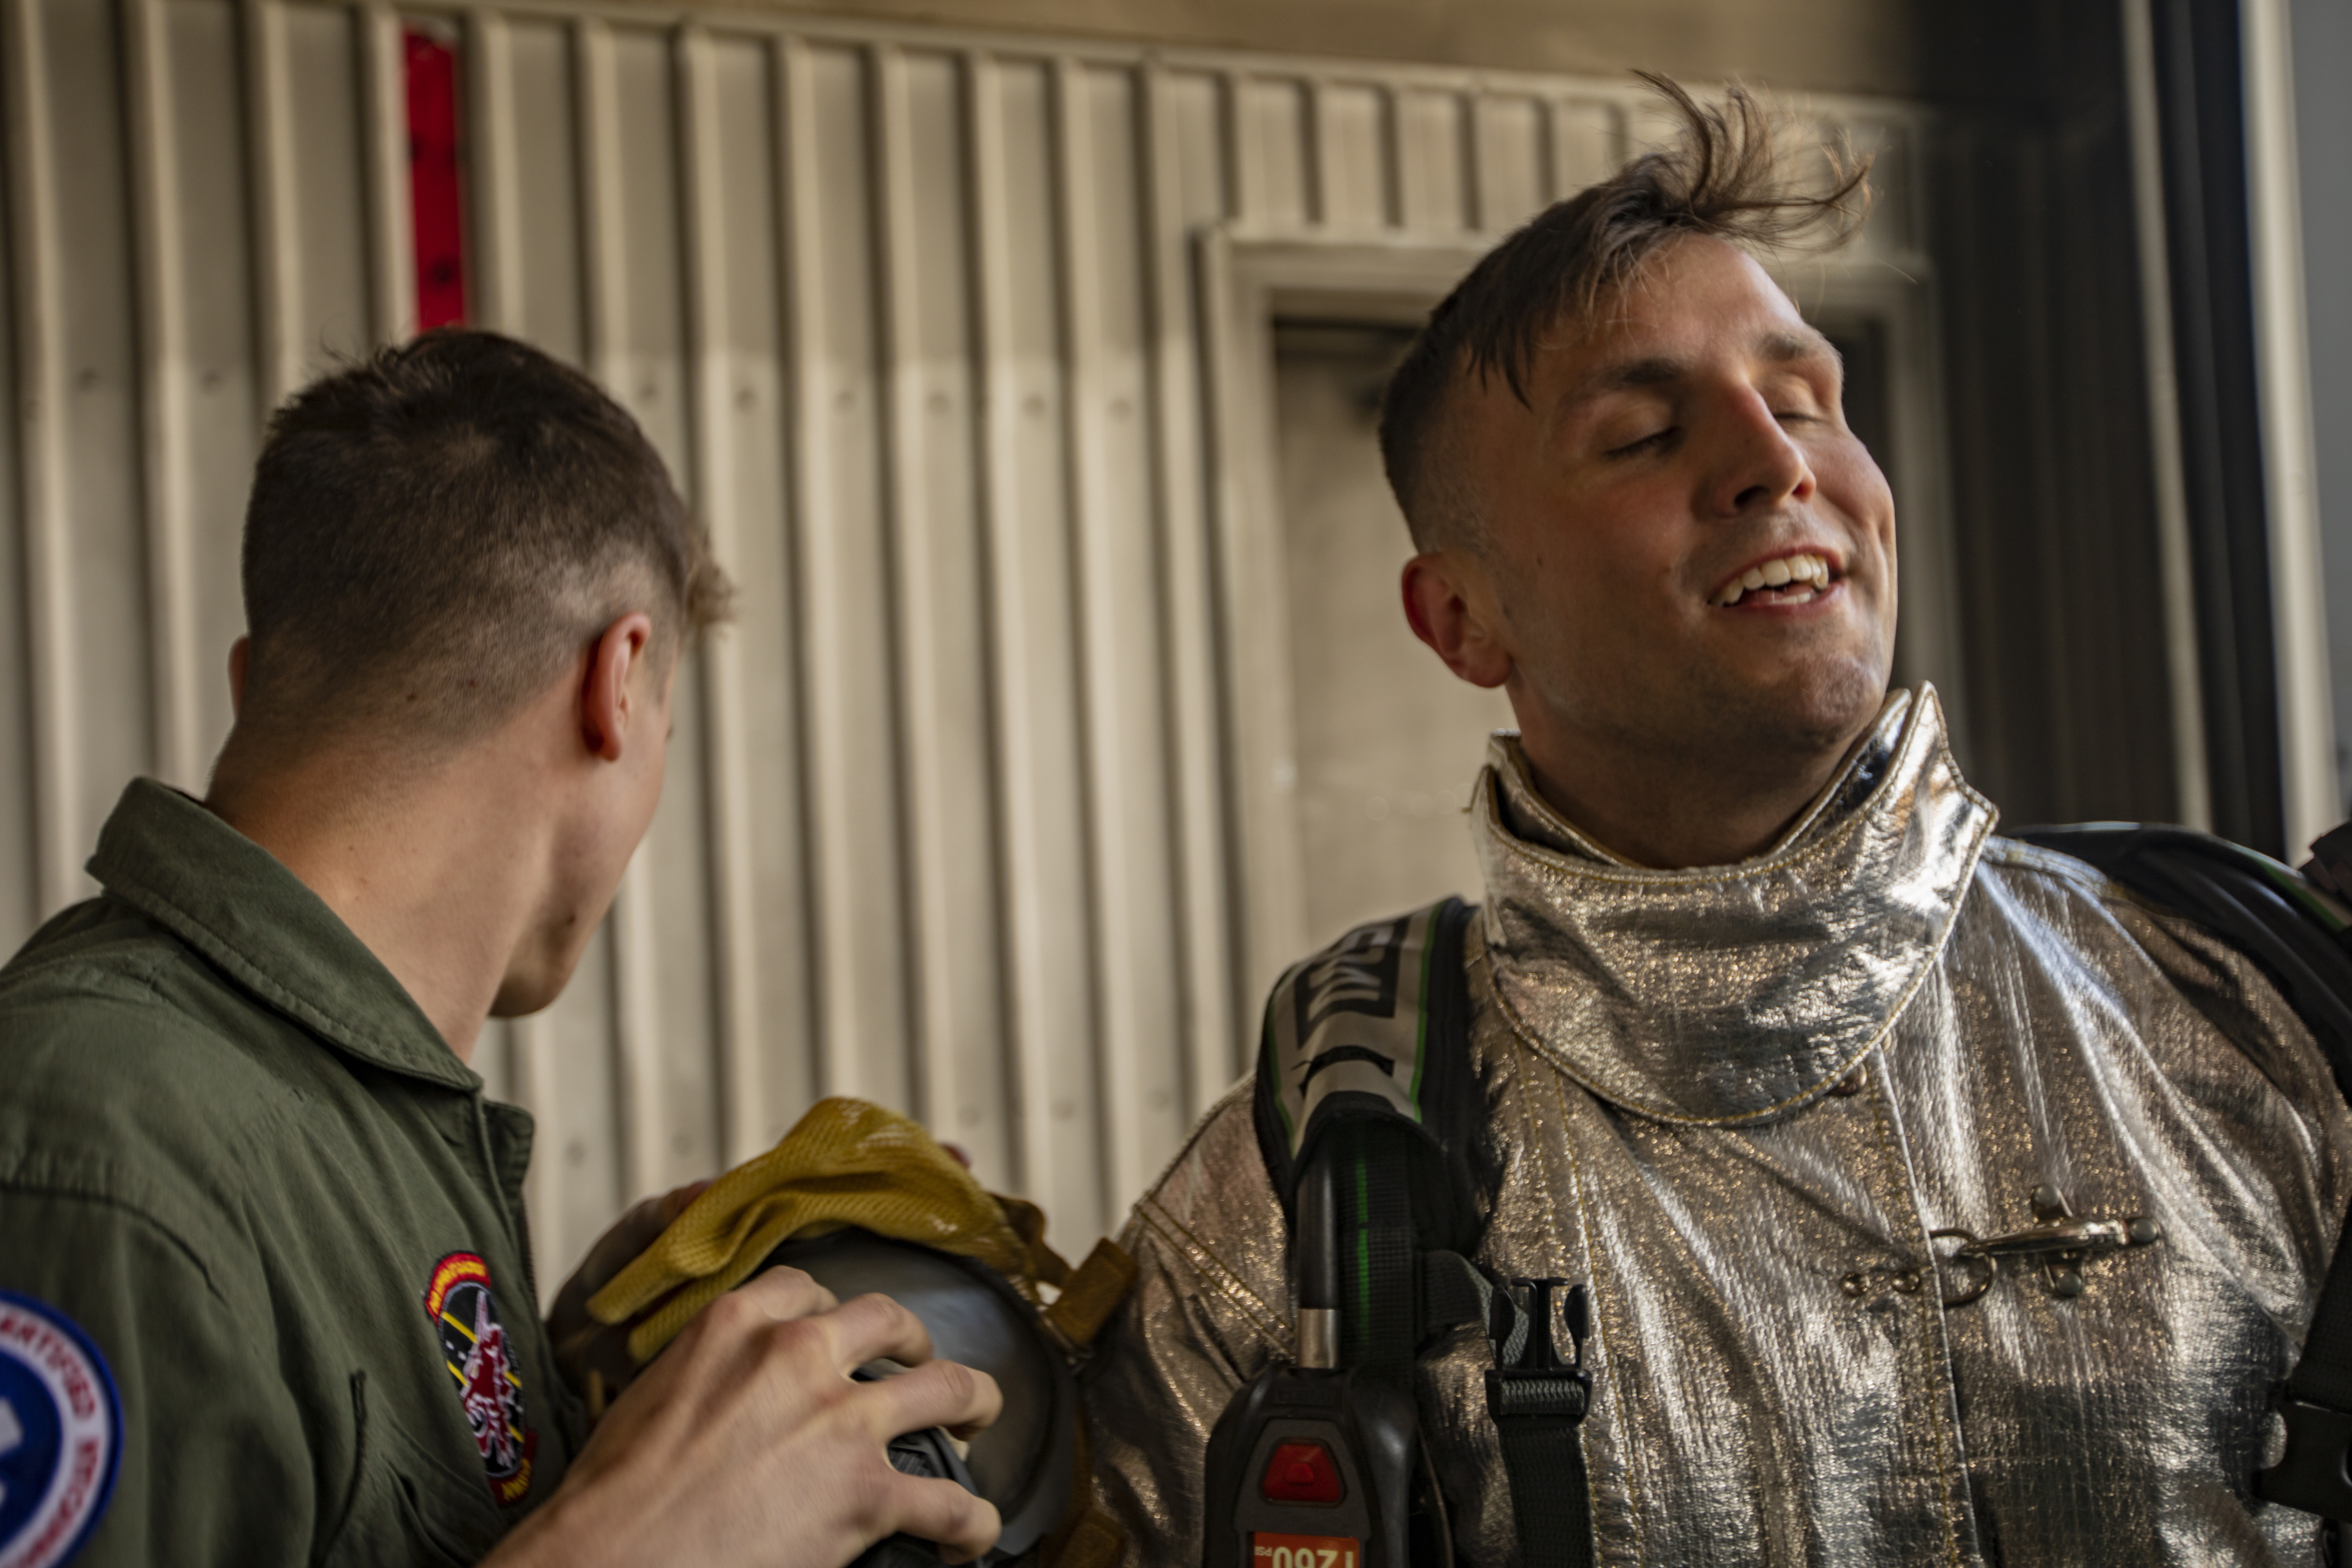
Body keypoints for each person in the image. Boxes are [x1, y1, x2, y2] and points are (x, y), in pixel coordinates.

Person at [1084, 79, 2352, 1564]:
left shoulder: (2260, 999)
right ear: (1462, 618)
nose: (1778, 462)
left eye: (1805, 401)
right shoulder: (1309, 1185)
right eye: (1640, 434)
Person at [0, 331, 1001, 1567]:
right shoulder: (94, 1154)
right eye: (669, 727)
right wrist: (646, 1543)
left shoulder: (337, 1126)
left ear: (256, 684)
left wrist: (578, 1391)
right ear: (618, 684)